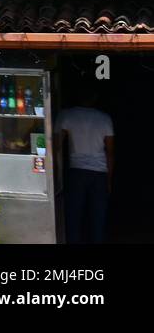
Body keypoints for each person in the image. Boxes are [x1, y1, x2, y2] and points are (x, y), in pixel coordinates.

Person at [57, 87, 114, 244]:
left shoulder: (67, 115)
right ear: (95, 97)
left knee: (73, 217)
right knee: (98, 219)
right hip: (99, 173)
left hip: (77, 171)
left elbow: (56, 145)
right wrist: (109, 180)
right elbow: (110, 152)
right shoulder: (104, 118)